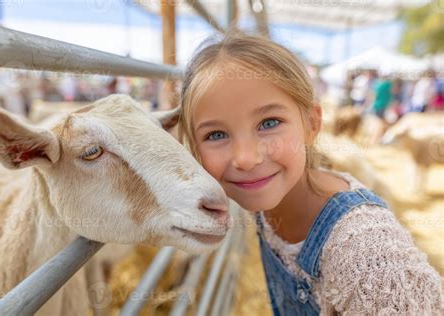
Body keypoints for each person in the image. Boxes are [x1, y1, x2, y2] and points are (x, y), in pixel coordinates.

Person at [176, 32, 443, 315]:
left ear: (312, 124)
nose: (246, 158)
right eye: (216, 134)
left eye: (269, 122)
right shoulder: (267, 201)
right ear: (193, 146)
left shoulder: (366, 252)